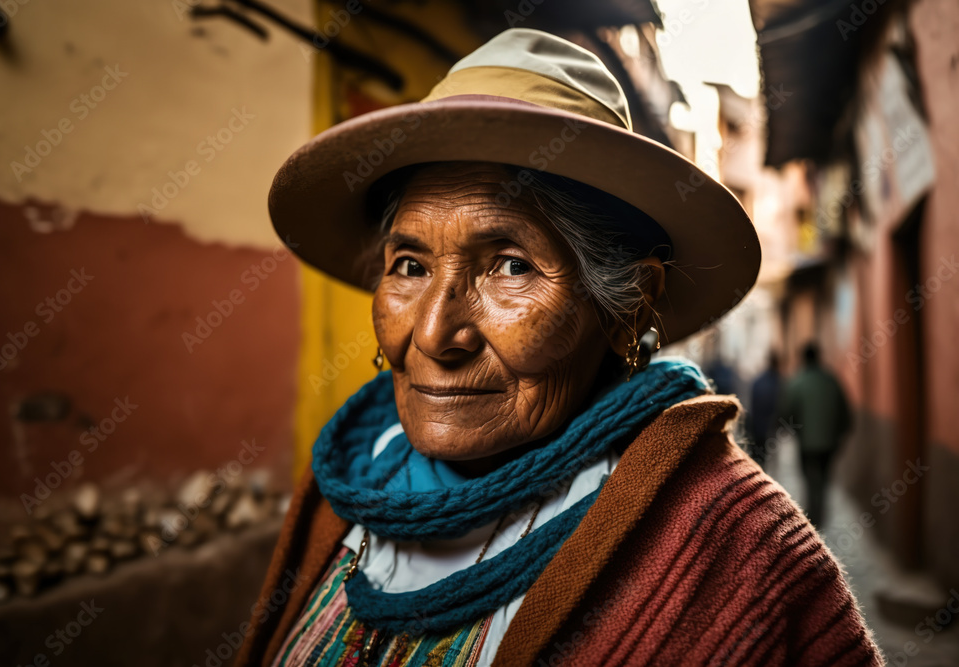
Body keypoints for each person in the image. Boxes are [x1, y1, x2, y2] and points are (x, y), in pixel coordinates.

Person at [236, 29, 881, 667]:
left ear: (629, 305)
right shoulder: (345, 483)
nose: (433, 334)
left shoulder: (746, 558)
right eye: (409, 265)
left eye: (510, 267)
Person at [780, 342, 853, 530]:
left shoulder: (797, 381)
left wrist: (793, 429)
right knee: (824, 476)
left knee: (809, 477)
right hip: (829, 443)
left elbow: (788, 411)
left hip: (806, 442)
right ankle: (820, 513)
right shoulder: (831, 380)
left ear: (803, 358)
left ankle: (814, 515)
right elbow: (845, 412)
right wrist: (839, 435)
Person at [748, 351, 782, 467]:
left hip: (758, 428)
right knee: (772, 462)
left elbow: (752, 406)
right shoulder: (780, 382)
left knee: (760, 460)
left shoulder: (758, 382)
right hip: (772, 428)